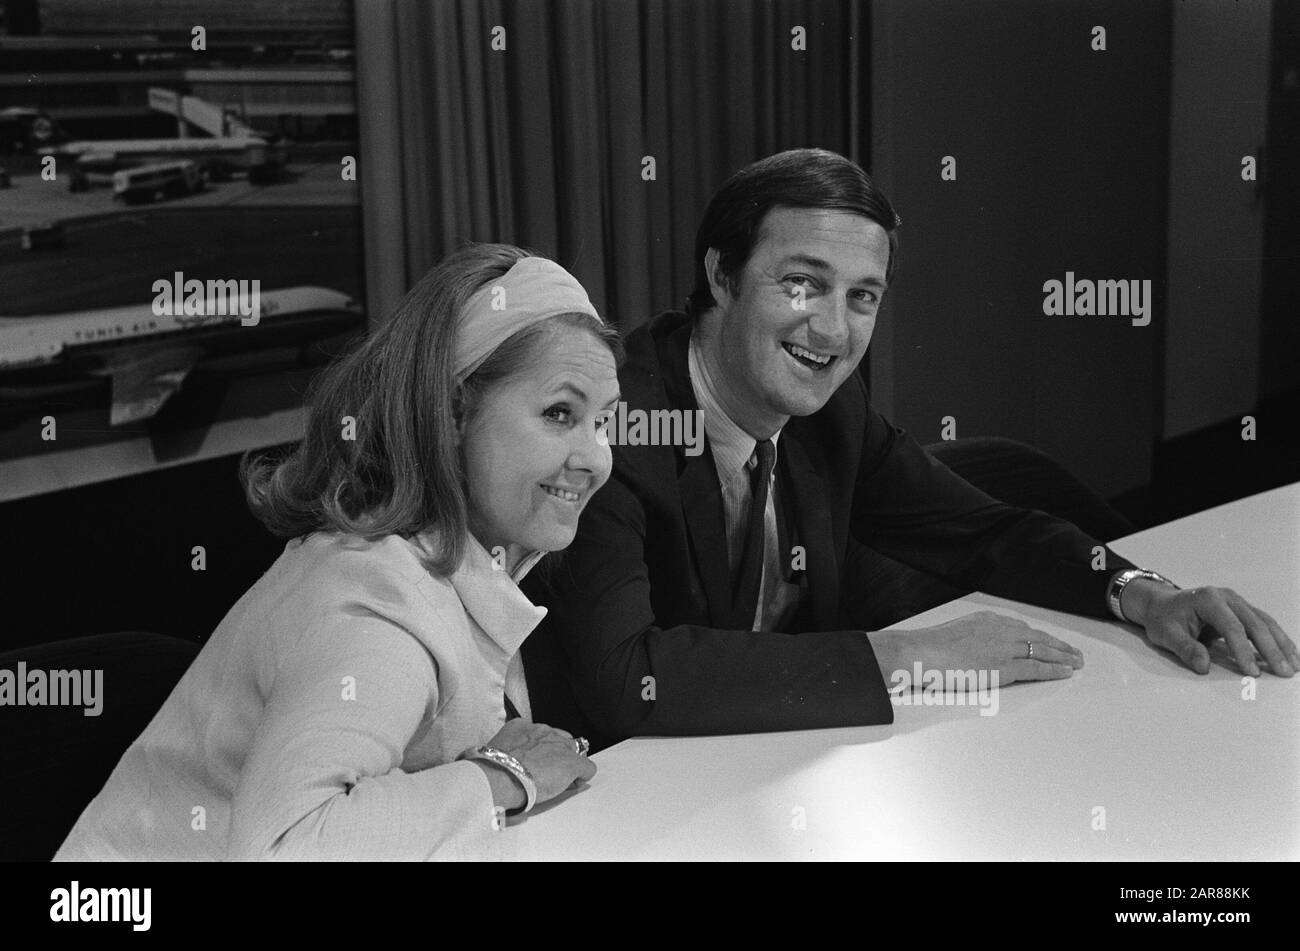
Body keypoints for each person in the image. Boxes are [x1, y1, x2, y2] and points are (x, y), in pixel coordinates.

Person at [523, 148, 1299, 748]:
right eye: (801, 283)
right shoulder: (616, 419)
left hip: (779, 763)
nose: (832, 330)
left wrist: (1143, 592)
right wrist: (904, 658)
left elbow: (985, 531)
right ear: (721, 276)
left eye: (862, 296)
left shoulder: (831, 407)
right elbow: (631, 678)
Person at [55, 244, 621, 860]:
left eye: (603, 421)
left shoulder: (423, 559)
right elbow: (288, 846)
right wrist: (505, 775)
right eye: (560, 413)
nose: (595, 457)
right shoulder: (375, 602)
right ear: (452, 413)